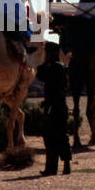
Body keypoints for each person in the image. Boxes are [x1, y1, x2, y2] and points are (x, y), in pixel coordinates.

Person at [36, 42, 71, 175]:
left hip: (53, 106)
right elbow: (40, 74)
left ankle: (52, 168)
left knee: (51, 137)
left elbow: (41, 75)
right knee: (62, 136)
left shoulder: (55, 67)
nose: (47, 55)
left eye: (48, 52)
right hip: (59, 106)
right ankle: (64, 165)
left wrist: (48, 109)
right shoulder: (60, 67)